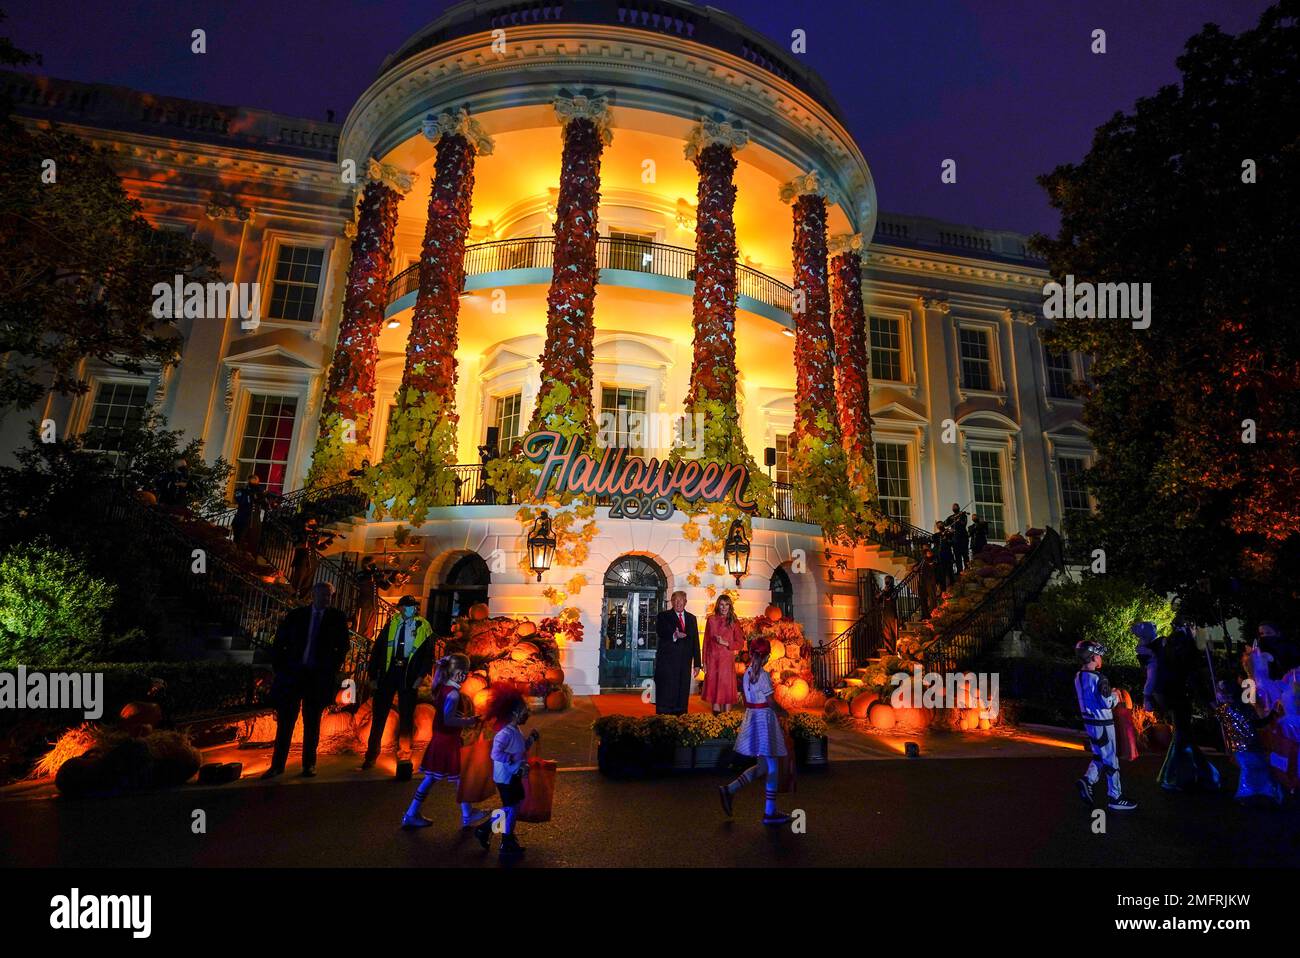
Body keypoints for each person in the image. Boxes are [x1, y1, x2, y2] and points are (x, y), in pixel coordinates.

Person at [263, 582, 350, 779]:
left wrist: (332, 667)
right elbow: (280, 641)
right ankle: (277, 765)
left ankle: (309, 764)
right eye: (322, 595)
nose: (326, 599)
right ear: (314, 595)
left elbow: (343, 646)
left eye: (329, 596)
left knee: (312, 723)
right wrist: (280, 667)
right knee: (286, 722)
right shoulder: (297, 616)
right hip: (293, 674)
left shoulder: (336, 618)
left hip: (317, 676)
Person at [401, 654, 490, 830]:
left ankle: (412, 813)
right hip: (447, 742)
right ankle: (467, 815)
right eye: (463, 671)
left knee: (432, 778)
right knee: (458, 778)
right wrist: (469, 721)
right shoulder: (454, 694)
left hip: (440, 739)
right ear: (456, 672)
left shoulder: (442, 688)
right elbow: (448, 720)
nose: (465, 675)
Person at [718, 637, 793, 825]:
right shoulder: (764, 675)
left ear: (750, 654)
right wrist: (784, 713)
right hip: (764, 721)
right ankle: (770, 812)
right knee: (773, 767)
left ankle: (730, 790)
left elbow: (745, 699)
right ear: (767, 656)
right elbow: (771, 702)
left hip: (752, 717)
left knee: (763, 766)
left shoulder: (747, 673)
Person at [1141, 617, 1221, 792]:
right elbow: (1193, 675)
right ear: (1190, 626)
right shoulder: (1186, 645)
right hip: (1178, 693)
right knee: (1182, 735)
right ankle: (1176, 776)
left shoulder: (1167, 643)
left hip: (1164, 692)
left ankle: (1200, 773)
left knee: (1183, 734)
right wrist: (1209, 701)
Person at [362, 595, 434, 771]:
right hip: (389, 672)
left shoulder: (423, 626)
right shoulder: (391, 624)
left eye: (413, 606)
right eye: (408, 606)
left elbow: (427, 654)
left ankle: (404, 754)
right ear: (400, 608)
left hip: (408, 674)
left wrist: (420, 676)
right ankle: (371, 755)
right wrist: (372, 675)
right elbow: (378, 649)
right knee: (379, 714)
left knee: (407, 716)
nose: (412, 609)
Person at [474, 684, 540, 861]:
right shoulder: (504, 733)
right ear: (513, 713)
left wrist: (531, 740)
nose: (526, 713)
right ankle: (501, 838)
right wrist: (514, 762)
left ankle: (491, 833)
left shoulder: (515, 730)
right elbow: (495, 753)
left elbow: (519, 749)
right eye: (523, 710)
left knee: (512, 807)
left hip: (513, 775)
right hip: (506, 777)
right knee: (511, 808)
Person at [1073, 640, 1137, 811]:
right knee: (1111, 760)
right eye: (1099, 655)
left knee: (1099, 756)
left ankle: (1087, 781)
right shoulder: (1100, 678)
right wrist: (1116, 695)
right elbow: (1107, 703)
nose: (1101, 658)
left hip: (1089, 723)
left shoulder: (1078, 677)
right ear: (1093, 657)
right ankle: (1115, 797)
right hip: (1103, 723)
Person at [653, 591, 700, 716]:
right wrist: (674, 635)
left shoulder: (692, 618)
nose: (679, 603)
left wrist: (697, 664)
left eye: (681, 600)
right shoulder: (663, 616)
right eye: (676, 600)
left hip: (685, 663)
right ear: (672, 602)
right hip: (667, 663)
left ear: (685, 602)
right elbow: (661, 632)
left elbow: (695, 641)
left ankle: (681, 718)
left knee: (682, 691)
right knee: (666, 692)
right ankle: (665, 719)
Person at [701, 595, 745, 712]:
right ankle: (716, 723)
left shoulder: (734, 622)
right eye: (721, 604)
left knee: (726, 693)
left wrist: (726, 642)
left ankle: (727, 722)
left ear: (730, 606)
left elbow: (740, 643)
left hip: (726, 662)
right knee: (714, 693)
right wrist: (704, 662)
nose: (724, 607)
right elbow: (706, 642)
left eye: (726, 604)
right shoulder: (711, 620)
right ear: (718, 605)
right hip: (712, 661)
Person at [232, 473, 267, 553]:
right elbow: (241, 501)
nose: (257, 483)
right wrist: (250, 496)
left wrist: (261, 497)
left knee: (252, 543)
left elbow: (264, 504)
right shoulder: (242, 491)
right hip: (242, 520)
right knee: (239, 540)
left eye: (257, 482)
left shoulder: (259, 492)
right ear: (250, 481)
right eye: (255, 481)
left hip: (254, 522)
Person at [878, 575, 900, 653]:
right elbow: (878, 599)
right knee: (886, 631)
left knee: (893, 631)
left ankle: (894, 649)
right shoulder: (884, 590)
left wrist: (887, 592)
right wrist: (883, 592)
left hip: (892, 612)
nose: (886, 582)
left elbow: (892, 598)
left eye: (888, 580)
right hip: (885, 612)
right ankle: (888, 648)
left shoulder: (895, 590)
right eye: (885, 580)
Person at [947, 503, 969, 573]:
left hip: (963, 538)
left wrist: (959, 518)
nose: (954, 508)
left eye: (956, 506)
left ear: (959, 508)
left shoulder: (963, 515)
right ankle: (959, 571)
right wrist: (949, 529)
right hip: (955, 539)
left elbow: (964, 524)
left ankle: (967, 570)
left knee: (965, 555)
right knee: (957, 556)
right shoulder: (951, 517)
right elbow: (945, 523)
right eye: (953, 507)